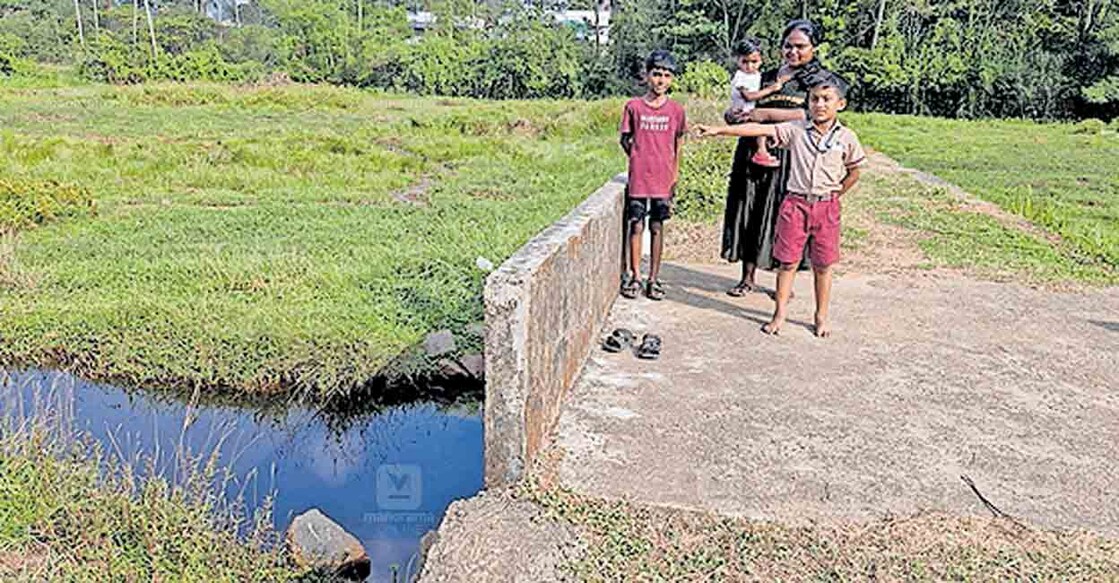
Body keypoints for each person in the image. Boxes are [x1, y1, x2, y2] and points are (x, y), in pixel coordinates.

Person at [698, 74, 866, 338]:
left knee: (823, 266)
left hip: (826, 208)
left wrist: (836, 194)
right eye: (814, 99)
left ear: (840, 104)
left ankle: (821, 316)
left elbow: (854, 171)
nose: (819, 105)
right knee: (786, 263)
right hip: (794, 205)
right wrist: (719, 130)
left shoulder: (847, 137)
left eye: (826, 99)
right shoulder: (796, 130)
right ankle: (779, 314)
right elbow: (759, 129)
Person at [721, 19, 835, 297]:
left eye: (800, 46)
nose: (793, 52)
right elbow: (744, 103)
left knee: (785, 219)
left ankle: (783, 284)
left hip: (791, 156)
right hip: (752, 150)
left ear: (814, 48)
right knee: (749, 208)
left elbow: (808, 115)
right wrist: (732, 115)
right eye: (788, 46)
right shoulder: (765, 74)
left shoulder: (818, 81)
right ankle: (747, 277)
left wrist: (764, 115)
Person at [619, 49, 687, 301]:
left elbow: (677, 144)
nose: (661, 80)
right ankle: (635, 276)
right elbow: (625, 139)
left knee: (657, 226)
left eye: (666, 75)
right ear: (647, 76)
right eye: (656, 74)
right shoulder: (633, 107)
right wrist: (639, 158)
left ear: (672, 79)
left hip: (663, 179)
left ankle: (653, 279)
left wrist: (674, 175)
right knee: (636, 225)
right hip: (639, 178)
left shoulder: (676, 111)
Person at [729, 39, 791, 168]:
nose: (749, 66)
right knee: (761, 127)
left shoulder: (758, 75)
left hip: (751, 112)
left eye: (754, 62)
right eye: (744, 62)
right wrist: (772, 89)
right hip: (743, 112)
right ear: (738, 60)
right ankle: (761, 152)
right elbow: (749, 96)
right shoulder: (741, 76)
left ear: (761, 60)